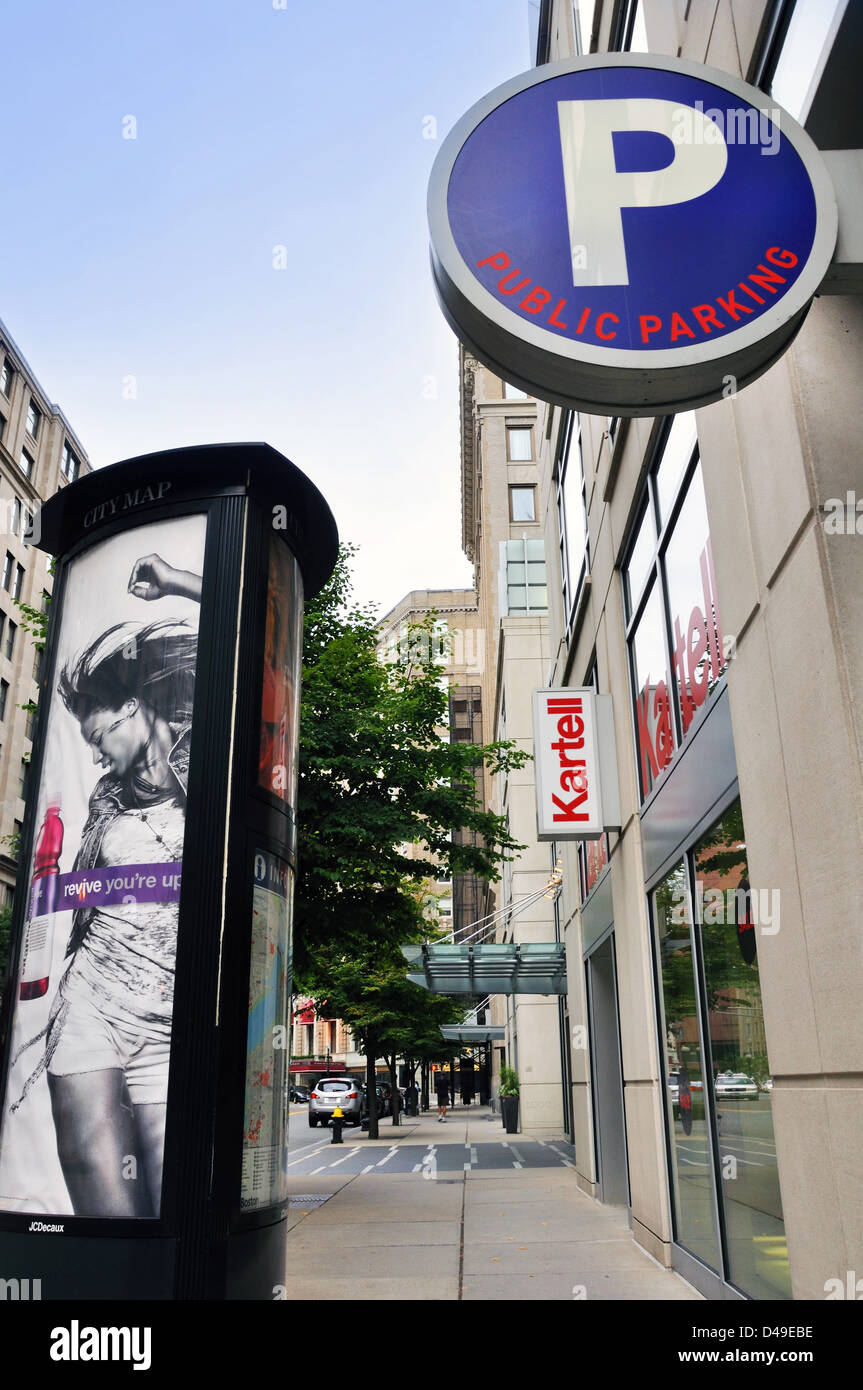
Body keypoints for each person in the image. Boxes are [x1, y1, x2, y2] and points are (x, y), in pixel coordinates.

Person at [11, 553, 200, 1217]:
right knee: (101, 1202)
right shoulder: (105, 798)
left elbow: (240, 646)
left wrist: (176, 581)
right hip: (91, 1005)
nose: (92, 749)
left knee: (160, 1207)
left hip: (167, 1019)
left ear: (126, 708)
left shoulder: (198, 772)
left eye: (94, 728)